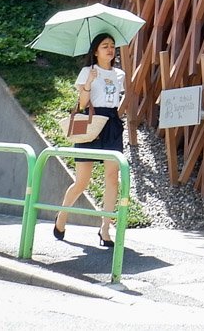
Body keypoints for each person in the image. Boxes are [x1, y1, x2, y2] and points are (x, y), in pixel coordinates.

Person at [55, 32, 126, 246]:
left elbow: (116, 99)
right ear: (95, 51)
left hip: (111, 124)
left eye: (112, 45)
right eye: (105, 45)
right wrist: (89, 82)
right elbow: (83, 104)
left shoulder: (119, 74)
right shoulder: (88, 71)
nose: (110, 49)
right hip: (91, 122)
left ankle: (105, 229)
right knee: (82, 181)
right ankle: (62, 215)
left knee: (112, 178)